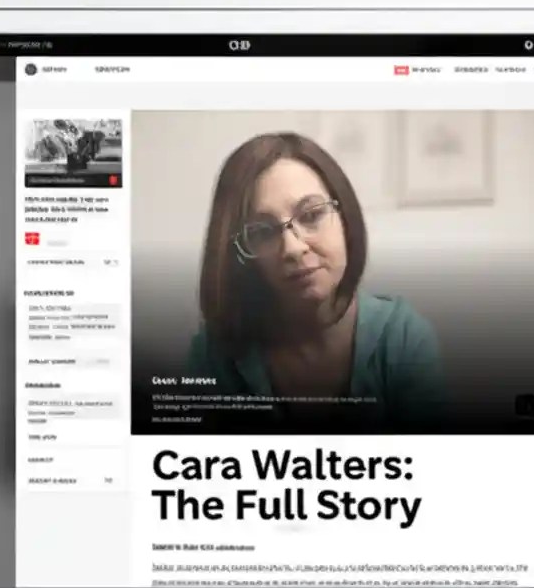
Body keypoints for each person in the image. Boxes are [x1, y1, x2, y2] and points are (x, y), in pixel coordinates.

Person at [186, 131, 446, 428]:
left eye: (311, 215)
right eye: (263, 232)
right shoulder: (215, 354)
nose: (294, 248)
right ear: (241, 256)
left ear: (345, 216)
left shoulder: (401, 338)